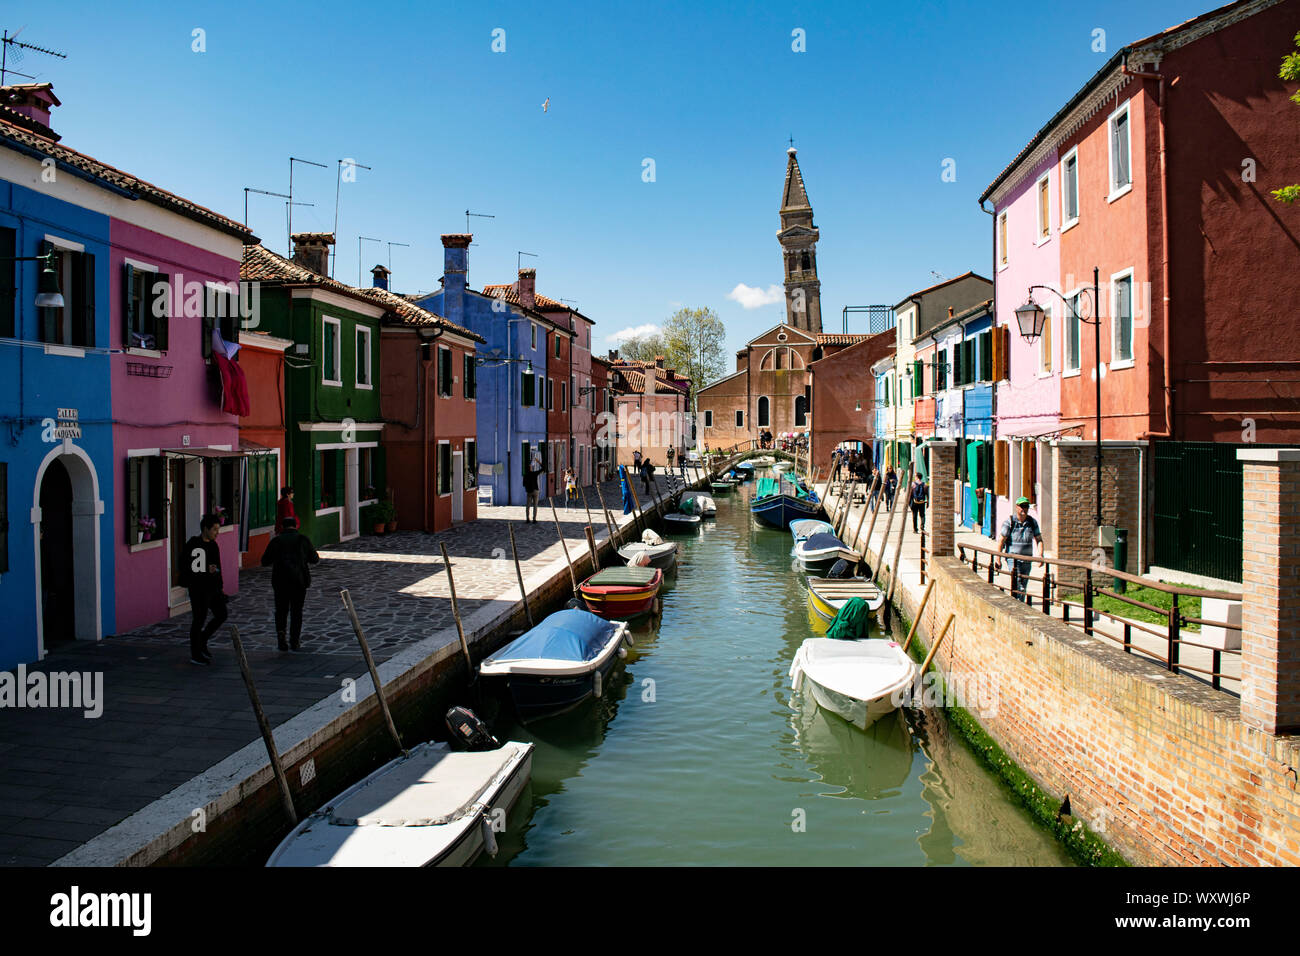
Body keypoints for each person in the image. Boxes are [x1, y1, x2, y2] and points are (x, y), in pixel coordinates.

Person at [260, 516, 320, 651]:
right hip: (299, 581)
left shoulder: (276, 541)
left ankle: (281, 638)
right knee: (296, 611)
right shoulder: (303, 540)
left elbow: (265, 561)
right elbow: (315, 559)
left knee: (281, 611)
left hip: (280, 582)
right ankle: (295, 640)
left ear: (282, 527)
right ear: (296, 526)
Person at [182, 514, 226, 665]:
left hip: (213, 588)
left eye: (217, 529)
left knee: (221, 614)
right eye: (214, 529)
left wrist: (220, 587)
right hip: (199, 588)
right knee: (199, 620)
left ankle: (203, 640)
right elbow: (190, 568)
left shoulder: (213, 545)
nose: (217, 533)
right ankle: (196, 654)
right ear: (205, 529)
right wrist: (207, 569)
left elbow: (217, 566)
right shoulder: (194, 545)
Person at [996, 496, 1044, 602]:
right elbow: (1001, 540)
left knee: (1023, 584)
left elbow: (1039, 539)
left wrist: (1040, 555)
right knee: (1017, 582)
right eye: (1022, 506)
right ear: (1017, 507)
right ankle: (1017, 602)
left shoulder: (1032, 522)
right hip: (1012, 558)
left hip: (1027, 559)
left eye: (1026, 506)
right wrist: (998, 558)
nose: (1024, 509)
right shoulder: (1009, 522)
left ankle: (1019, 603)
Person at [523, 454, 543, 523]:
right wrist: (538, 462)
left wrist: (527, 488)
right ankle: (534, 519)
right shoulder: (534, 474)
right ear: (531, 468)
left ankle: (527, 519)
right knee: (535, 506)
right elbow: (544, 468)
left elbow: (524, 484)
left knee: (528, 506)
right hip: (535, 491)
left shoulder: (525, 475)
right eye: (531, 466)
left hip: (529, 491)